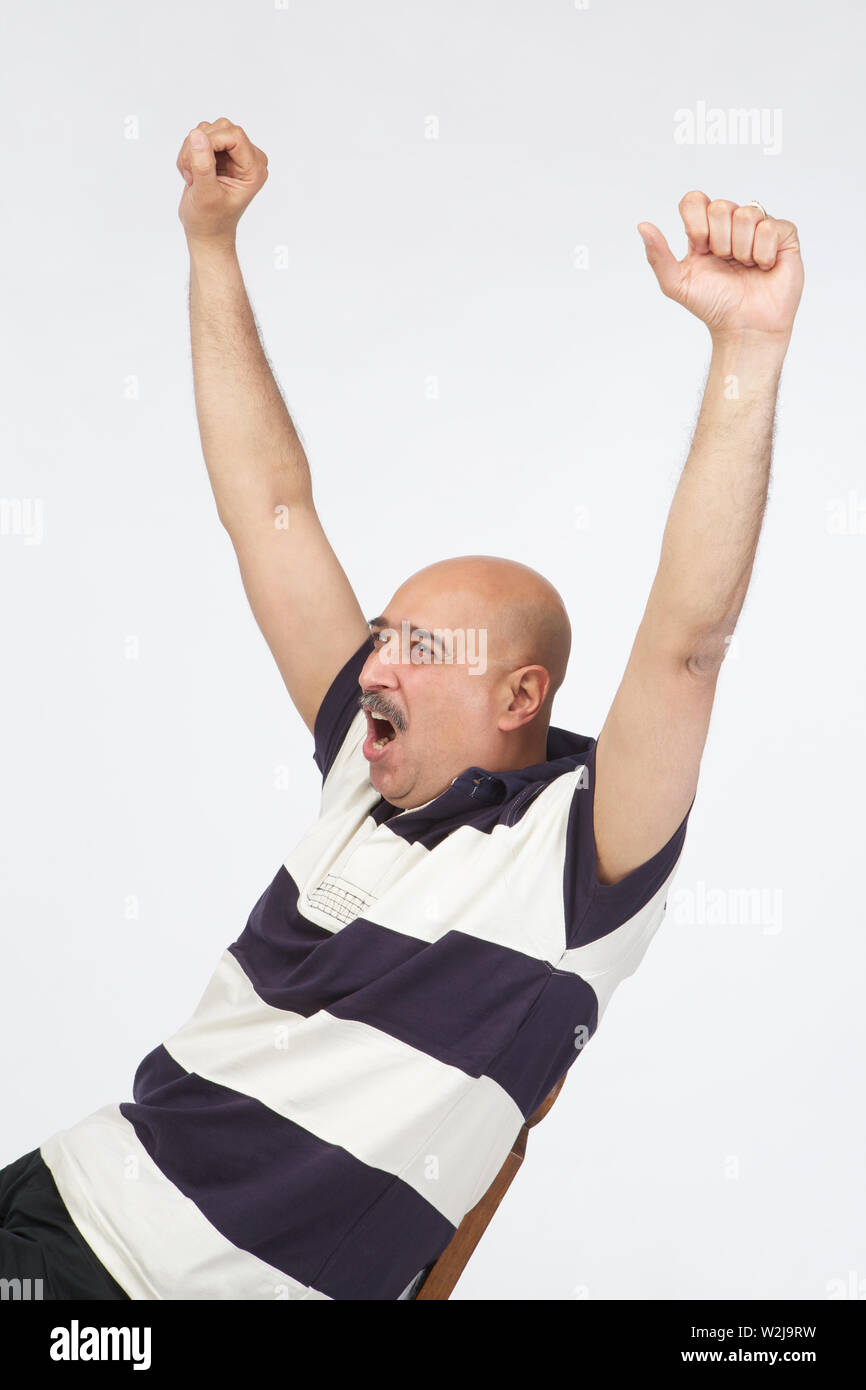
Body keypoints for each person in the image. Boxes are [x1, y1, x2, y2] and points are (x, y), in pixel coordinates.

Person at [0, 119, 803, 1301]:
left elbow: (685, 648)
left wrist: (746, 347)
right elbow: (268, 508)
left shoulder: (576, 863)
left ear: (520, 695)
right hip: (58, 1194)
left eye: (421, 648)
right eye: (379, 636)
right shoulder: (358, 767)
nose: (374, 665)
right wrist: (210, 244)